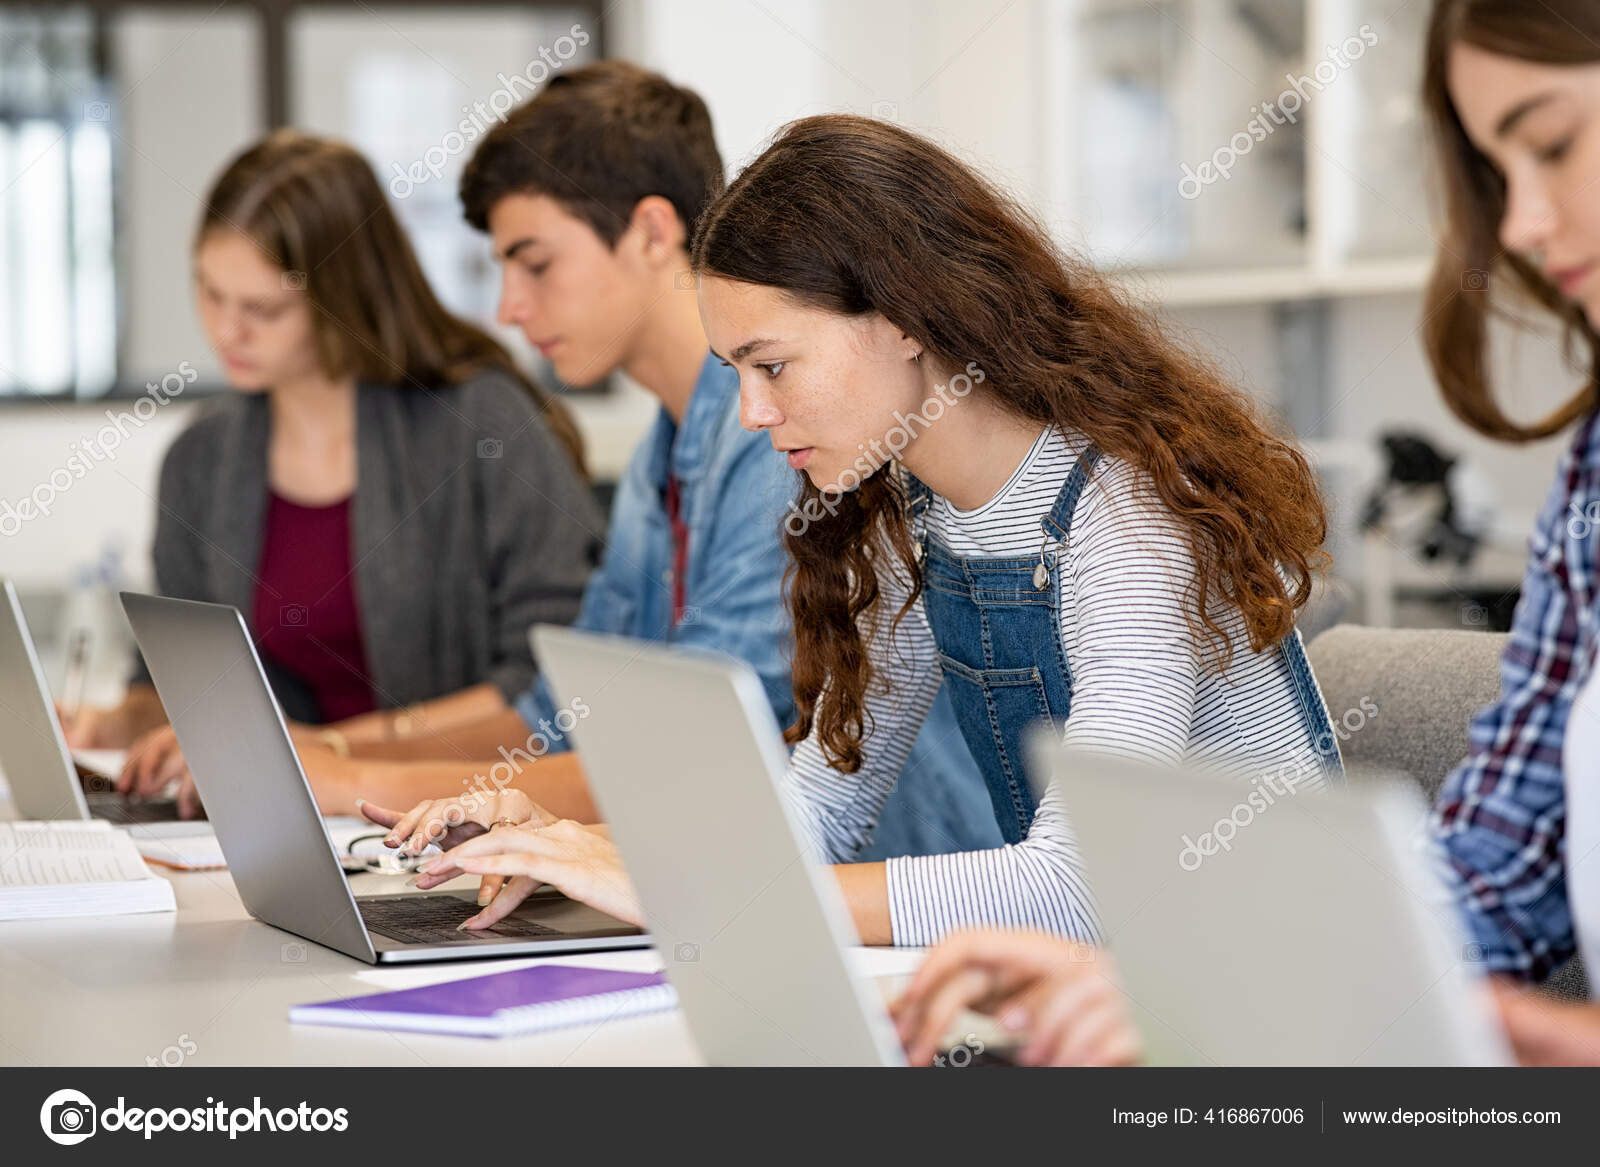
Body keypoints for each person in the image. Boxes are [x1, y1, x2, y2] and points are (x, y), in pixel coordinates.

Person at [402, 113, 1344, 948]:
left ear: (902, 320)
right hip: (1116, 990)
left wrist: (679, 888)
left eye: (772, 366)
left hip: (1282, 999)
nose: (750, 415)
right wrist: (571, 846)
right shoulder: (909, 514)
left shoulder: (1125, 515)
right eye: (737, 371)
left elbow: (1075, 886)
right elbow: (815, 810)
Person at [893, 0, 1600, 1066]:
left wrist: (1522, 1031)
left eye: (1552, 144)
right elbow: (1495, 871)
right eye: (1501, 174)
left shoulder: (1111, 511)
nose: (1522, 228)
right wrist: (1198, 982)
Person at [323, 62, 998, 869]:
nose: (508, 307)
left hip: (895, 897)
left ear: (650, 230)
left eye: (534, 263)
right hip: (761, 873)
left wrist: (345, 776)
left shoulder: (789, 437)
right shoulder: (666, 449)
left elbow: (700, 755)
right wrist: (339, 752)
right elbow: (566, 711)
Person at [60, 130, 600, 816]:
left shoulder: (482, 422)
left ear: (342, 297)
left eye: (264, 309)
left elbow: (547, 678)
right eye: (211, 292)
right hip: (292, 815)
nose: (228, 331)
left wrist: (326, 753)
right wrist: (113, 723)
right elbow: (178, 677)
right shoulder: (204, 456)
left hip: (459, 818)